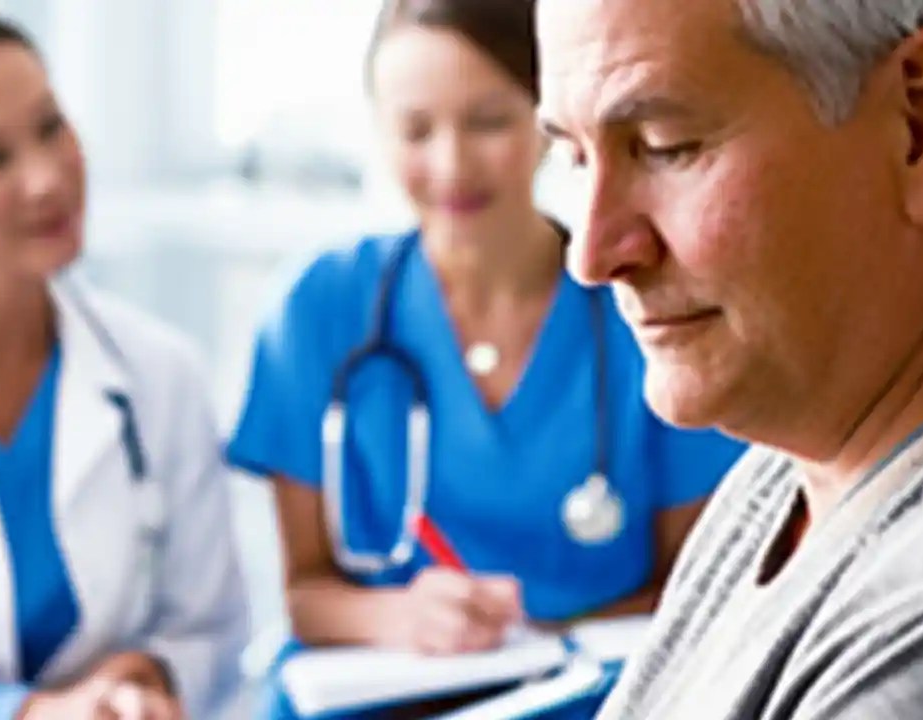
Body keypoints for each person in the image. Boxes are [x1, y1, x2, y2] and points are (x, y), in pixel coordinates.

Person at [535, 0, 923, 717]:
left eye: (667, 146)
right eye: (575, 157)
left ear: (922, 122)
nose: (592, 256)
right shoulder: (797, 476)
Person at [226, 0, 747, 716]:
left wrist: (543, 637)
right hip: (371, 698)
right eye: (415, 130)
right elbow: (306, 593)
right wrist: (396, 618)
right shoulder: (320, 310)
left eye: (489, 121)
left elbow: (696, 586)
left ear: (549, 119)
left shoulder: (647, 306)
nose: (451, 164)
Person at [0, 8, 247, 719]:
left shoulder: (160, 376)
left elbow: (212, 630)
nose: (46, 180)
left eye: (50, 127)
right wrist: (19, 711)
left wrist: (143, 677)